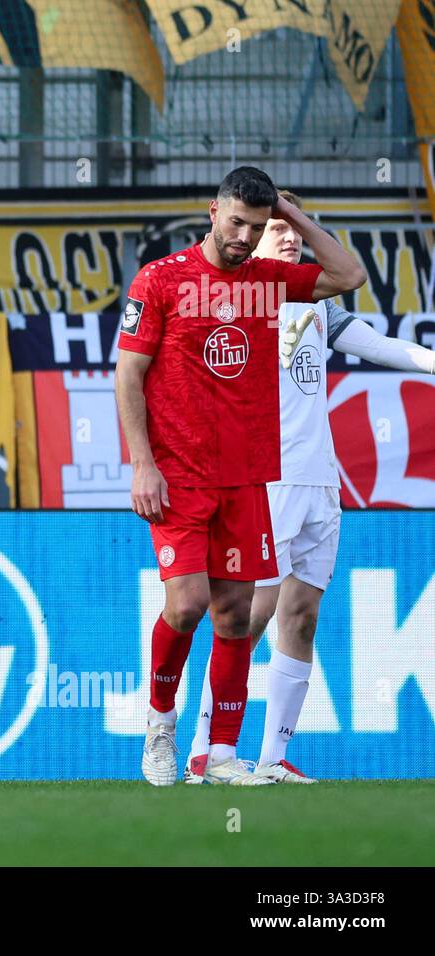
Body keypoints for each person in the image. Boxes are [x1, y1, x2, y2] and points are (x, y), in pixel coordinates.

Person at [115, 166, 365, 786]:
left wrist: (291, 212)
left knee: (234, 617)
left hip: (249, 476)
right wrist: (142, 463)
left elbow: (348, 275)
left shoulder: (272, 282)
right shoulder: (162, 279)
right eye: (236, 223)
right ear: (211, 211)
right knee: (189, 602)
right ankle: (160, 724)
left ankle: (223, 756)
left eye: (257, 227)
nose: (244, 238)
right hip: (179, 475)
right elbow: (128, 374)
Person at [186, 189, 435, 784]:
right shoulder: (238, 304)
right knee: (249, 617)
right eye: (276, 230)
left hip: (321, 484)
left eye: (294, 229)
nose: (290, 238)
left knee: (301, 616)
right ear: (251, 242)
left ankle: (273, 757)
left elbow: (379, 347)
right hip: (267, 482)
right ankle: (203, 749)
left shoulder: (316, 309)